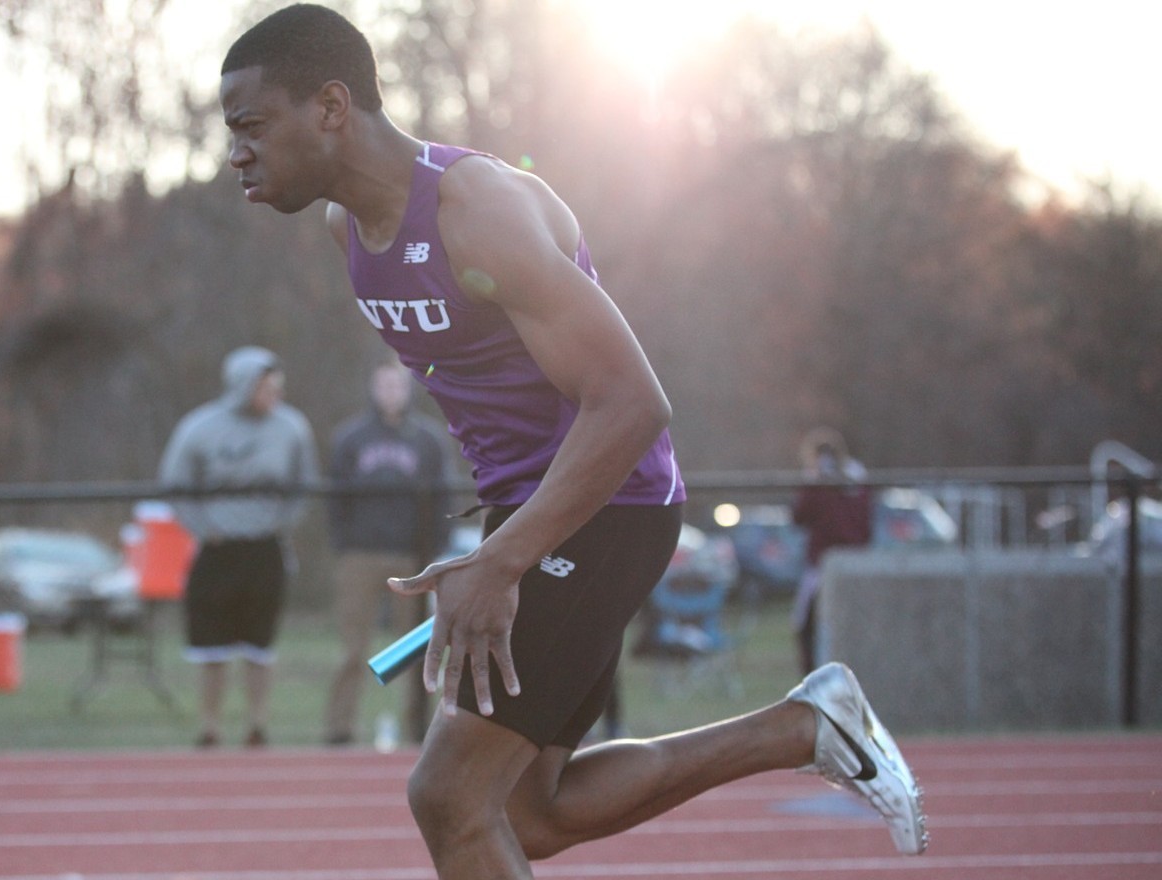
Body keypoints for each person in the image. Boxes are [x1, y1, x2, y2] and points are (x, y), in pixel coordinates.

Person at [218, 6, 927, 876]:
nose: (235, 153)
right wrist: (499, 545)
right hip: (530, 515)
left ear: (330, 107)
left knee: (448, 799)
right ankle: (804, 727)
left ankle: (808, 725)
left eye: (251, 126)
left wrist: (504, 561)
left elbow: (632, 404)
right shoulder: (345, 229)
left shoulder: (476, 208)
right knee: (534, 816)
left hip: (607, 502)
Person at [157, 345, 319, 749]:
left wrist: (282, 522)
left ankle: (257, 724)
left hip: (265, 548)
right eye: (266, 387)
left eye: (278, 387)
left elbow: (305, 482)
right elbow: (175, 484)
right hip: (217, 548)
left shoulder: (292, 427)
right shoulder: (199, 428)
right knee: (210, 646)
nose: (274, 395)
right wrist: (201, 526)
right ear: (243, 385)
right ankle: (209, 726)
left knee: (259, 645)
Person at [322, 358, 451, 747]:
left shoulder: (427, 439)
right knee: (352, 649)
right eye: (383, 385)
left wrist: (435, 551)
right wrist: (344, 544)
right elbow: (333, 498)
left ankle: (419, 729)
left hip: (413, 557)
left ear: (408, 388)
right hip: (360, 554)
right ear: (372, 388)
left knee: (413, 650)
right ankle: (339, 729)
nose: (391, 393)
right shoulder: (351, 438)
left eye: (397, 385)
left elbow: (444, 496)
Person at [791, 428, 874, 676]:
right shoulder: (858, 479)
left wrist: (814, 481)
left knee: (807, 624)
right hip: (854, 561)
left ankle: (815, 678)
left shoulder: (825, 481)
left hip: (826, 563)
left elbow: (799, 515)